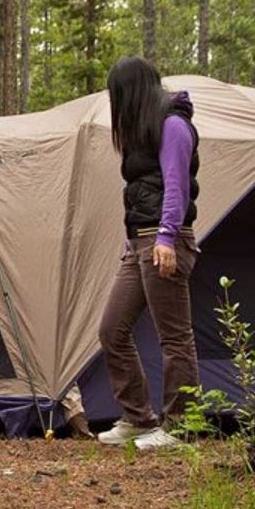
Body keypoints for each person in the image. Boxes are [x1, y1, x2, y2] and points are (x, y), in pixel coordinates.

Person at [97, 56, 200, 450]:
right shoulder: (145, 132)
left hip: (164, 241)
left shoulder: (173, 125)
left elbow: (176, 187)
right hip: (140, 243)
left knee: (175, 338)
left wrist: (166, 237)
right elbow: (144, 191)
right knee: (112, 330)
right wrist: (133, 242)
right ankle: (139, 418)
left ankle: (181, 427)